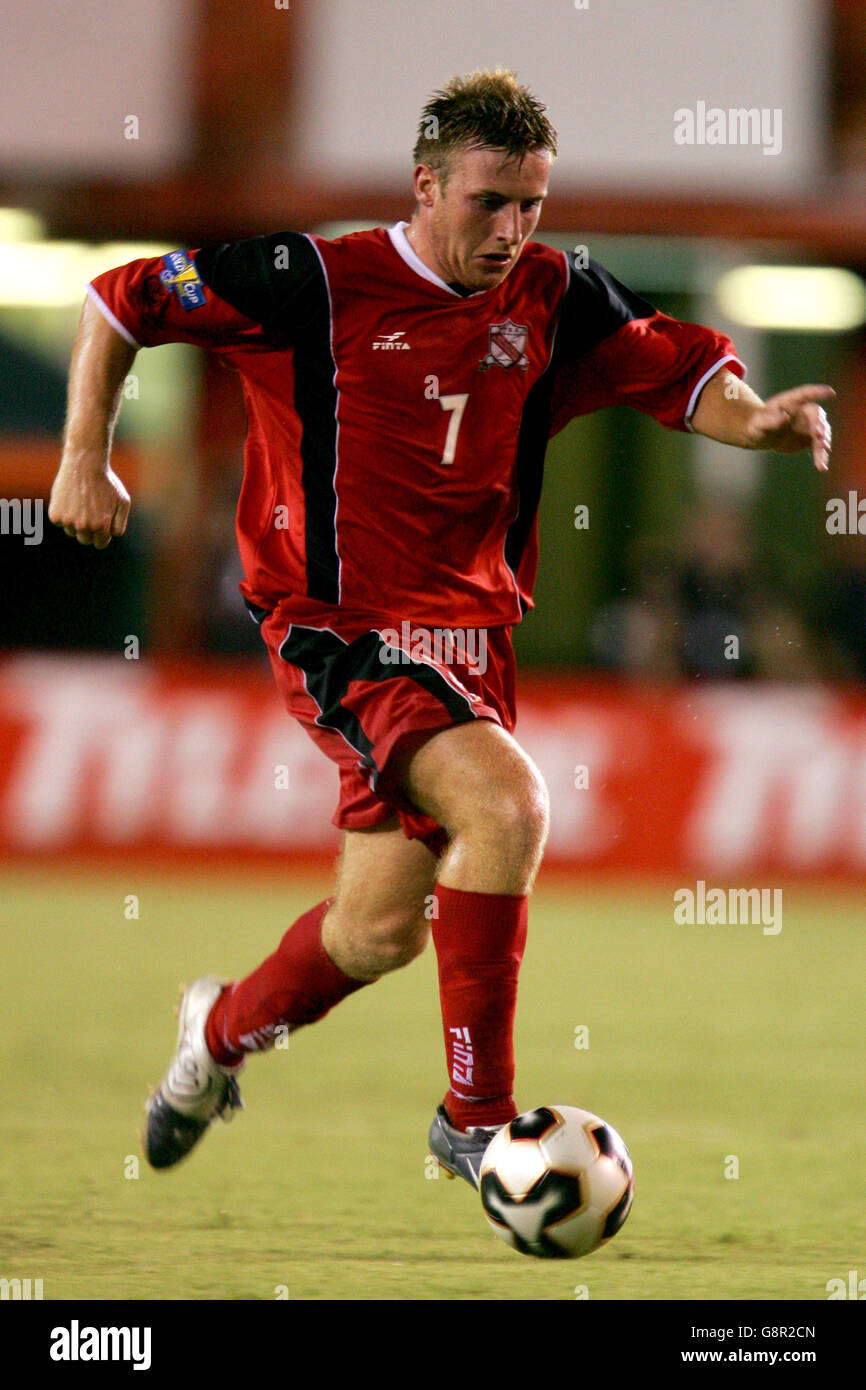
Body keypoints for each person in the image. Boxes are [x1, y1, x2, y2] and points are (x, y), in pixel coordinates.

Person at [48, 70, 833, 1188]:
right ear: (423, 186)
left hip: (474, 635)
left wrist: (747, 416)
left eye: (531, 205)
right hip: (339, 625)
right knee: (507, 806)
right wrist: (85, 454)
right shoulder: (306, 279)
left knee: (377, 932)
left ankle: (213, 1037)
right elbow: (118, 299)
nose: (511, 230)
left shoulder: (558, 296)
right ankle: (478, 1122)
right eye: (486, 203)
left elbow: (679, 367)